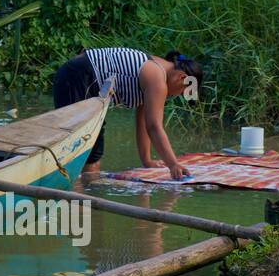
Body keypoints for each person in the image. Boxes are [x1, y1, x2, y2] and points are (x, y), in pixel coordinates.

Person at [52, 48, 203, 180]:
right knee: (84, 147)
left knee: (92, 148)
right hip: (78, 76)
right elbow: (154, 127)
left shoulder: (157, 67)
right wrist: (173, 164)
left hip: (77, 74)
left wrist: (147, 160)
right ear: (182, 78)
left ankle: (84, 193)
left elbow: (144, 121)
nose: (175, 95)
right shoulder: (158, 79)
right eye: (181, 92)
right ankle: (81, 198)